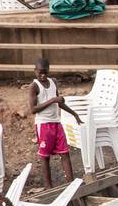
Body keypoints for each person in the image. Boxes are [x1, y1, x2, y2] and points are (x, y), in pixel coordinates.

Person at [28, 58, 82, 187]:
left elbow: (59, 102)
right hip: (43, 125)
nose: (43, 75)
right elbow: (33, 110)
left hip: (56, 123)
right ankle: (49, 188)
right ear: (35, 71)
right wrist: (52, 100)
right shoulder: (34, 86)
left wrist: (74, 114)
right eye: (40, 72)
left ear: (49, 70)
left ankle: (71, 184)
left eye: (45, 72)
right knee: (45, 156)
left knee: (65, 152)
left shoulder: (53, 82)